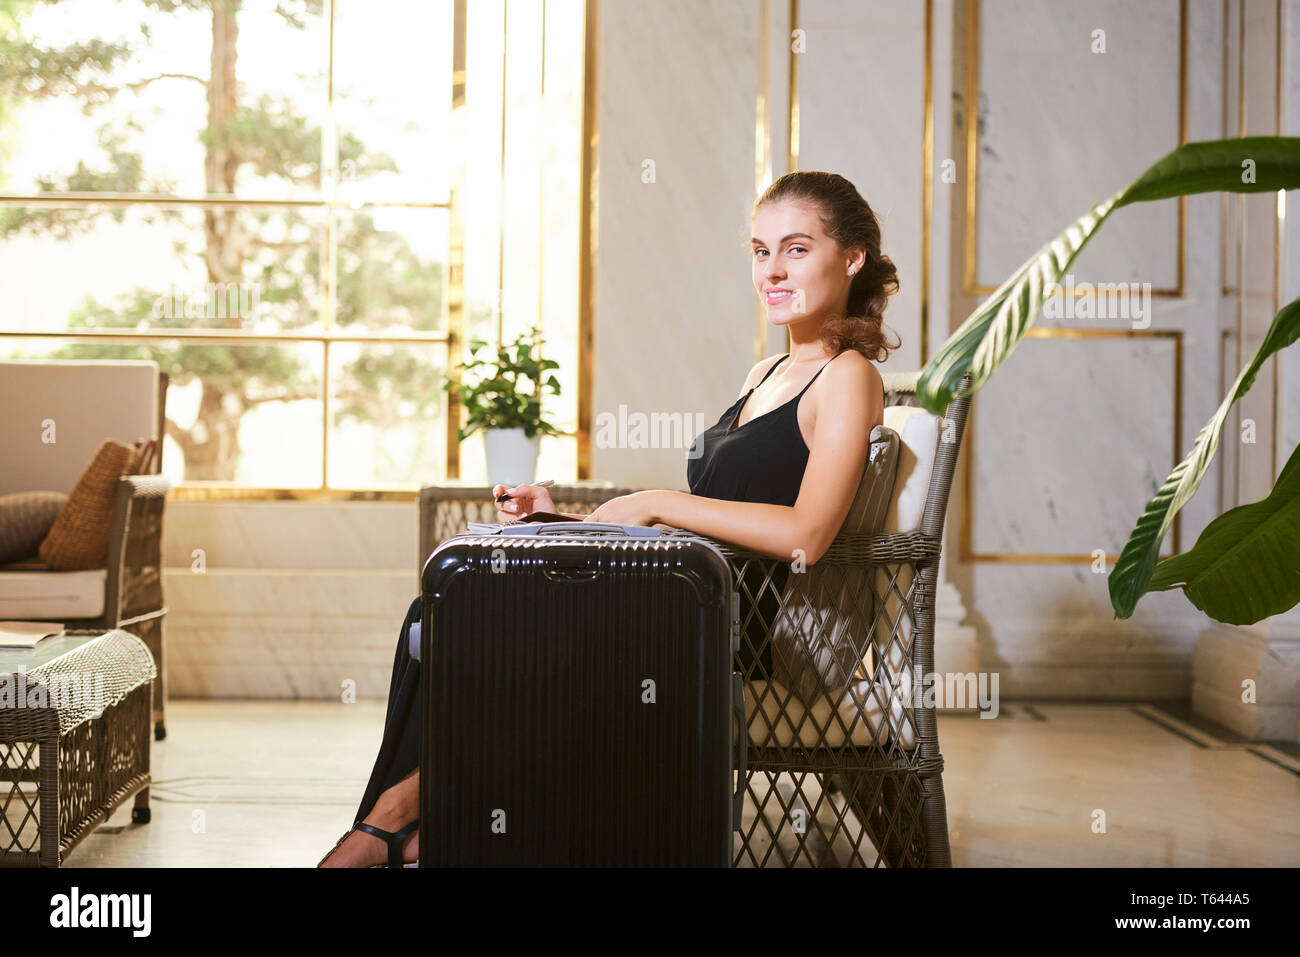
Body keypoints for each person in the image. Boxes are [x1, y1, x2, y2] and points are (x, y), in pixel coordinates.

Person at [317, 170, 900, 867]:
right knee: (445, 612)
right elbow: (709, 523)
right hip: (682, 598)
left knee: (489, 620)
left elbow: (807, 535)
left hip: (738, 627)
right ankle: (421, 824)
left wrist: (657, 502)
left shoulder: (848, 377)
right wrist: (562, 520)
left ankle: (398, 823)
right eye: (759, 250)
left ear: (853, 256)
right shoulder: (764, 373)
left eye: (796, 249)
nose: (771, 269)